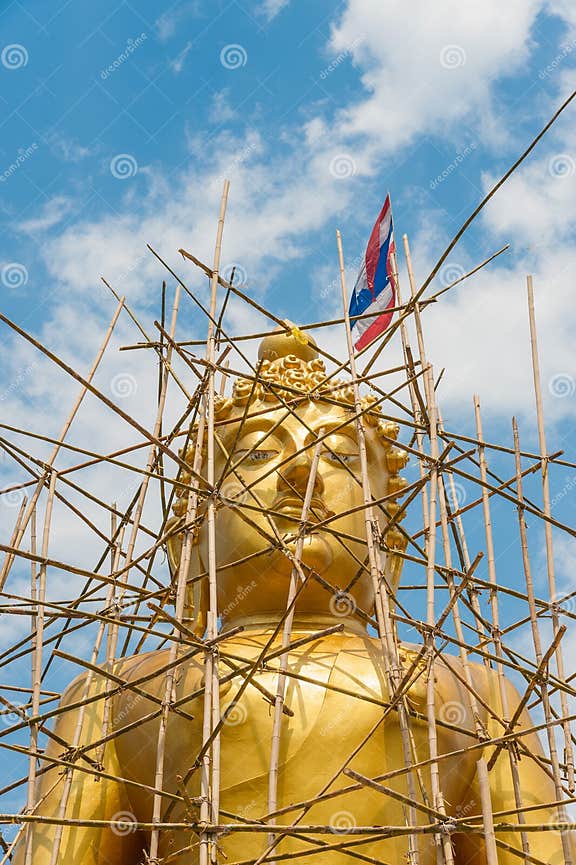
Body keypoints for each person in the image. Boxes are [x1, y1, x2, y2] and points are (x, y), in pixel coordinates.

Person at [13, 330, 574, 865]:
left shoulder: (476, 695)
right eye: (257, 454)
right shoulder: (118, 698)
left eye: (342, 457)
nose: (302, 472)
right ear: (195, 529)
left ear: (389, 536)